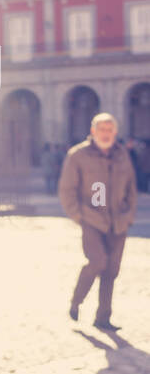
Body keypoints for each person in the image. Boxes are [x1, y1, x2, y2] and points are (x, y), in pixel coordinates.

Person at [58, 113, 137, 331]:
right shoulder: (78, 155)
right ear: (93, 131)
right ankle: (76, 302)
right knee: (97, 262)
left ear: (115, 132)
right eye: (102, 129)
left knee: (111, 270)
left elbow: (131, 187)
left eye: (109, 129)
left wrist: (129, 215)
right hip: (92, 220)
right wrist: (78, 216)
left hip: (119, 222)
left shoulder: (122, 155)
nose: (106, 133)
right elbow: (67, 190)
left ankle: (103, 317)